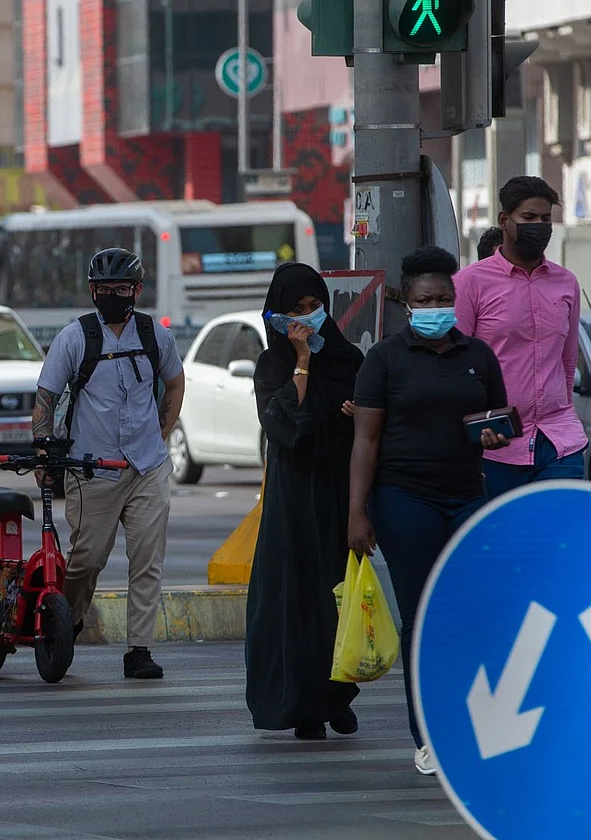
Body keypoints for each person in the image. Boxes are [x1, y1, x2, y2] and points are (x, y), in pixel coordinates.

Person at [348, 246, 510, 774]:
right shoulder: (385, 359)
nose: (436, 307)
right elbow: (366, 440)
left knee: (473, 610)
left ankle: (476, 718)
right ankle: (429, 733)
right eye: (425, 299)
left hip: (466, 493)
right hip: (403, 498)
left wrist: (491, 435)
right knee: (422, 614)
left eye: (444, 298)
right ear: (407, 303)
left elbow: (500, 420)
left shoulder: (477, 356)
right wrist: (358, 511)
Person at [31, 248, 186, 679]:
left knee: (147, 560)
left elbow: (174, 382)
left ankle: (139, 649)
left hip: (147, 468)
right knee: (87, 559)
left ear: (137, 290)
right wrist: (44, 450)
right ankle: (69, 621)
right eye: (105, 289)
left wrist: (162, 430)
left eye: (122, 289)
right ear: (92, 291)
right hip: (91, 469)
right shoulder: (74, 338)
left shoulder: (156, 336)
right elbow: (45, 397)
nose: (114, 296)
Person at [244, 263, 363, 741]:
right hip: (294, 498)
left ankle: (338, 698)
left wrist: (358, 415)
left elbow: (368, 425)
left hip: (337, 491)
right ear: (278, 314)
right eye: (297, 310)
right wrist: (301, 359)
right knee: (296, 599)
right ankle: (303, 706)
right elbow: (283, 425)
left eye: (315, 308)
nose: (309, 318)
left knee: (339, 598)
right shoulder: (271, 364)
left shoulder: (349, 359)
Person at [454, 176, 587, 498]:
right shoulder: (470, 283)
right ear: (504, 220)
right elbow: (457, 365)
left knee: (557, 540)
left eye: (545, 219)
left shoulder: (566, 282)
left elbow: (567, 361)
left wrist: (564, 407)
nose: (539, 226)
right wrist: (474, 425)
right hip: (495, 443)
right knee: (504, 544)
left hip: (559, 440)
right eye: (528, 218)